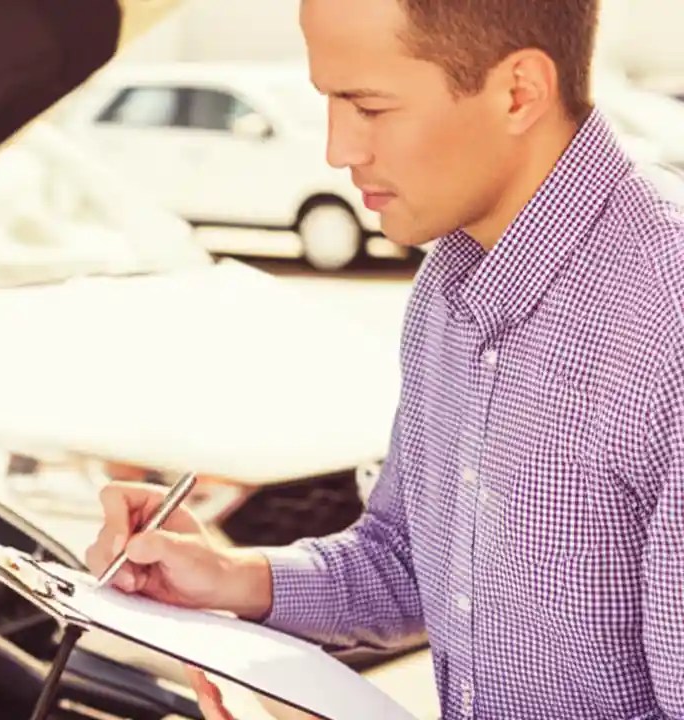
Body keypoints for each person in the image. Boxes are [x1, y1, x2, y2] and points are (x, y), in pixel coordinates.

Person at [84, 0, 684, 717]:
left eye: (367, 106)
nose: (338, 150)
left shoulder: (667, 324)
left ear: (519, 91)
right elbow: (411, 558)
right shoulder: (448, 284)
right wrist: (229, 577)